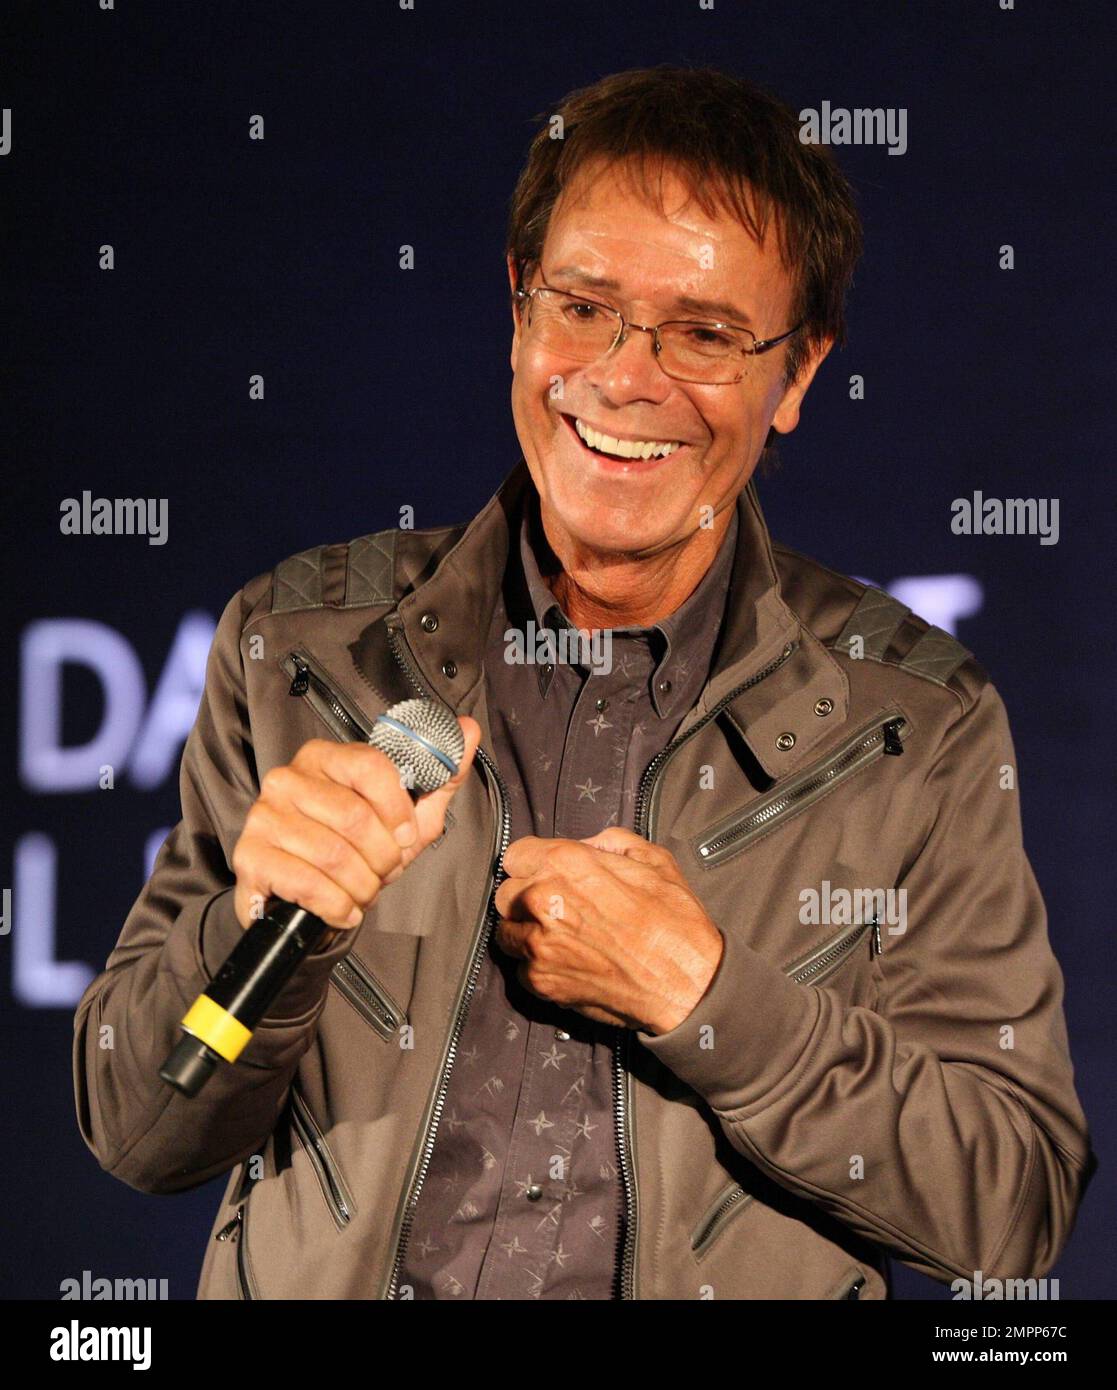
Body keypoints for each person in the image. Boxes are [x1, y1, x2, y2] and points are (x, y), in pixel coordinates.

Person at [73, 64, 1091, 1300]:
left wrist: (707, 997)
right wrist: (249, 932)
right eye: (584, 307)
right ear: (517, 308)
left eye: (705, 334)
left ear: (801, 374)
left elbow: (1013, 1204)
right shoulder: (298, 646)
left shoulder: (914, 725)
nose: (622, 376)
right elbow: (139, 1126)